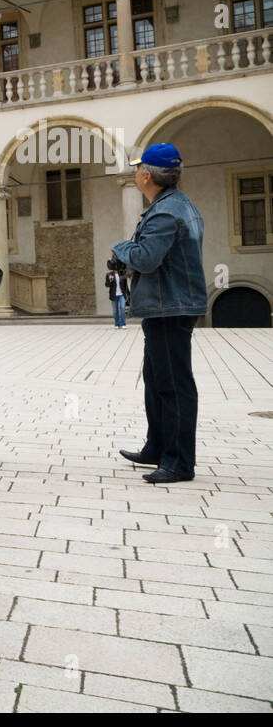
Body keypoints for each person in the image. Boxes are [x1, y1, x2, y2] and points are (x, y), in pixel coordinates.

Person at [113, 143, 206, 484]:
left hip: (170, 307)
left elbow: (147, 257)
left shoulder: (167, 212)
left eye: (138, 169)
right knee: (156, 380)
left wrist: (121, 248)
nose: (136, 173)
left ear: (147, 175)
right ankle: (157, 446)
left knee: (173, 385)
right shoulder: (174, 206)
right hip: (167, 305)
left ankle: (179, 462)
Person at [105, 260, 130, 329]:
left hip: (122, 294)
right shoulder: (109, 274)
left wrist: (127, 295)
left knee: (122, 308)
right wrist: (110, 280)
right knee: (115, 310)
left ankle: (123, 324)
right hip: (114, 295)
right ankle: (117, 324)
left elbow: (126, 286)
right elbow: (107, 285)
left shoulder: (122, 274)